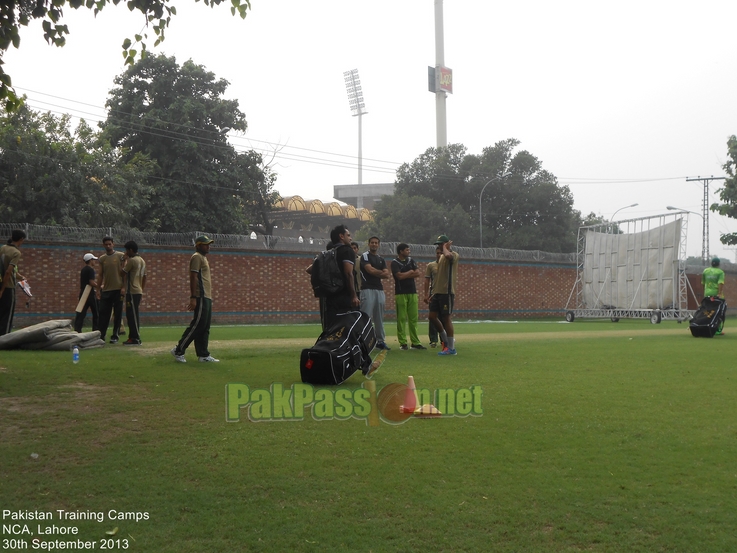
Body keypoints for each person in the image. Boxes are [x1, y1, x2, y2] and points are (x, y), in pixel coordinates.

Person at [171, 235, 219, 363]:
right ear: (198, 245)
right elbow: (193, 277)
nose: (208, 246)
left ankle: (203, 354)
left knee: (205, 326)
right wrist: (193, 297)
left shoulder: (203, 258)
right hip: (200, 295)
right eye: (205, 244)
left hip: (207, 296)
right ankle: (178, 350)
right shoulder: (196, 257)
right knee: (197, 325)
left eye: (209, 244)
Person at [323, 225, 361, 328]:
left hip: (330, 296)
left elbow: (310, 270)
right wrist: (353, 295)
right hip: (344, 296)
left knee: (333, 328)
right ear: (341, 236)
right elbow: (349, 273)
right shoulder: (347, 251)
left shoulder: (329, 253)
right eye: (348, 235)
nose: (350, 238)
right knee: (347, 327)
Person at [429, 235, 460, 356]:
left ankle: (451, 348)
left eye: (441, 244)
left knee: (446, 318)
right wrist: (434, 292)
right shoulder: (441, 257)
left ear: (446, 244)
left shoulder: (454, 255)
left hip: (447, 293)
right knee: (432, 316)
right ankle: (446, 342)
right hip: (438, 293)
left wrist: (446, 248)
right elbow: (439, 277)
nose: (439, 247)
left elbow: (449, 256)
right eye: (438, 245)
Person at [392, 243, 425, 350]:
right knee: (401, 318)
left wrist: (408, 273)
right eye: (406, 250)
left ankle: (415, 342)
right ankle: (403, 342)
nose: (408, 251)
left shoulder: (411, 261)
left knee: (413, 318)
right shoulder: (394, 263)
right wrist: (410, 272)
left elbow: (418, 273)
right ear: (401, 251)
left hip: (412, 292)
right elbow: (399, 276)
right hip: (400, 293)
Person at [360, 236, 391, 350]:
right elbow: (369, 270)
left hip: (379, 289)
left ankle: (380, 341)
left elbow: (387, 274)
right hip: (367, 289)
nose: (374, 244)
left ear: (378, 245)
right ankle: (363, 341)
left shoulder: (381, 259)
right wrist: (380, 273)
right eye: (372, 242)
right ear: (369, 244)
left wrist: (376, 272)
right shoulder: (365, 256)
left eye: (376, 243)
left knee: (379, 317)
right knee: (366, 316)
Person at [97, 236, 125, 344]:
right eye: (106, 244)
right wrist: (98, 289)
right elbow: (100, 275)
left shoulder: (120, 256)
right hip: (107, 290)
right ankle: (101, 335)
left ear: (113, 244)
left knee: (117, 314)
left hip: (118, 289)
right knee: (104, 313)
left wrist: (123, 287)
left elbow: (124, 273)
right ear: (103, 245)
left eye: (110, 244)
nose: (108, 246)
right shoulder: (102, 259)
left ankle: (115, 335)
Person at [0, 229, 27, 336]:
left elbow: (11, 270)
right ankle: (4, 338)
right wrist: (2, 290)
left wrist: (20, 277)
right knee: (7, 314)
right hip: (8, 287)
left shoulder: (3, 248)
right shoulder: (16, 252)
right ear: (20, 239)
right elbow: (8, 271)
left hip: (1, 283)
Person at [121, 241, 146, 345]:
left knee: (132, 315)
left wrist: (124, 260)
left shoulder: (132, 260)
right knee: (131, 314)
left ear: (130, 250)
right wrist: (141, 289)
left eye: (127, 250)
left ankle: (135, 338)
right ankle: (132, 337)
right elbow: (145, 277)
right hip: (138, 290)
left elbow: (122, 273)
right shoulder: (142, 260)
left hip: (132, 291)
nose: (126, 252)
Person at [73, 253, 100, 333]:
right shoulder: (91, 270)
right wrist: (99, 286)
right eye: (93, 260)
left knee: (81, 313)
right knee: (96, 312)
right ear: (90, 261)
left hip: (83, 293)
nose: (94, 262)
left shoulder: (83, 269)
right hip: (90, 293)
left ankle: (77, 329)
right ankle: (96, 330)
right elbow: (91, 282)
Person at [423, 245, 443, 348]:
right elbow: (427, 280)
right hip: (433, 294)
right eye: (437, 253)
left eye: (441, 253)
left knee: (444, 317)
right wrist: (426, 294)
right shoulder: (431, 265)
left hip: (444, 294)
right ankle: (433, 339)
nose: (439, 255)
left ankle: (444, 339)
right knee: (433, 316)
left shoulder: (448, 265)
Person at [702, 256, 726, 335]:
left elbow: (703, 283)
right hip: (716, 294)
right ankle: (718, 329)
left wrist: (705, 292)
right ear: (719, 264)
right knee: (719, 312)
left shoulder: (705, 271)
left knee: (707, 311)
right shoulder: (720, 272)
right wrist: (719, 293)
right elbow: (720, 283)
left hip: (707, 294)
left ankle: (705, 326)